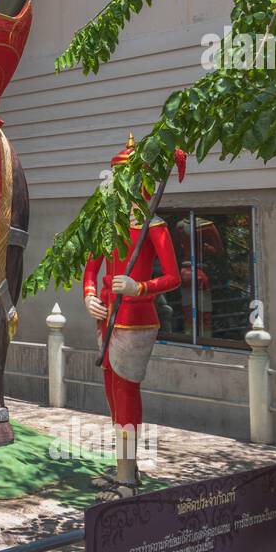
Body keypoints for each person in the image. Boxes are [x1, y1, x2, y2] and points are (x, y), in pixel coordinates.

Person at [82, 136, 183, 501]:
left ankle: (127, 479)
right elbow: (90, 269)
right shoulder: (108, 224)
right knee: (111, 391)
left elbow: (173, 277)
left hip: (137, 319)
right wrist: (90, 295)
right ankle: (125, 466)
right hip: (106, 316)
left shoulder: (154, 225)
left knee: (125, 392)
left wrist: (139, 287)